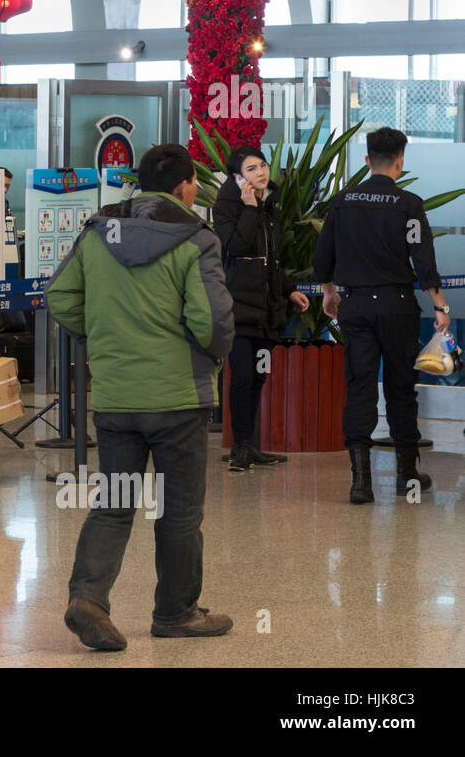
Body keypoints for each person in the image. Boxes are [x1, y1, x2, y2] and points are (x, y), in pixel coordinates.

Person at [47, 144, 236, 651]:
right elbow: (213, 321)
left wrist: (104, 335)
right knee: (178, 511)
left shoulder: (96, 234)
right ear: (184, 187)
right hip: (177, 398)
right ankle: (176, 614)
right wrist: (213, 355)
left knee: (114, 502)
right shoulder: (197, 240)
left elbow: (59, 296)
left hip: (115, 397)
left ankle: (88, 598)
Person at [313, 127, 448, 504]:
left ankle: (361, 482)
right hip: (398, 306)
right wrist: (440, 306)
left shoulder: (342, 202)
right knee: (400, 388)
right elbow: (424, 262)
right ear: (401, 161)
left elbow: (323, 258)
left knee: (359, 387)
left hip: (355, 306)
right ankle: (407, 475)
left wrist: (328, 293)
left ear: (367, 160)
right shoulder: (409, 204)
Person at [213, 146, 311, 473]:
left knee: (257, 377)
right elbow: (236, 247)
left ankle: (251, 446)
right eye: (252, 169)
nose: (261, 172)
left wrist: (290, 290)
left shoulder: (269, 203)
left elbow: (270, 258)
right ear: (238, 177)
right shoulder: (228, 205)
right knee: (241, 378)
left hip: (267, 309)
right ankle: (240, 446)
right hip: (240, 308)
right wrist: (249, 208)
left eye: (263, 165)